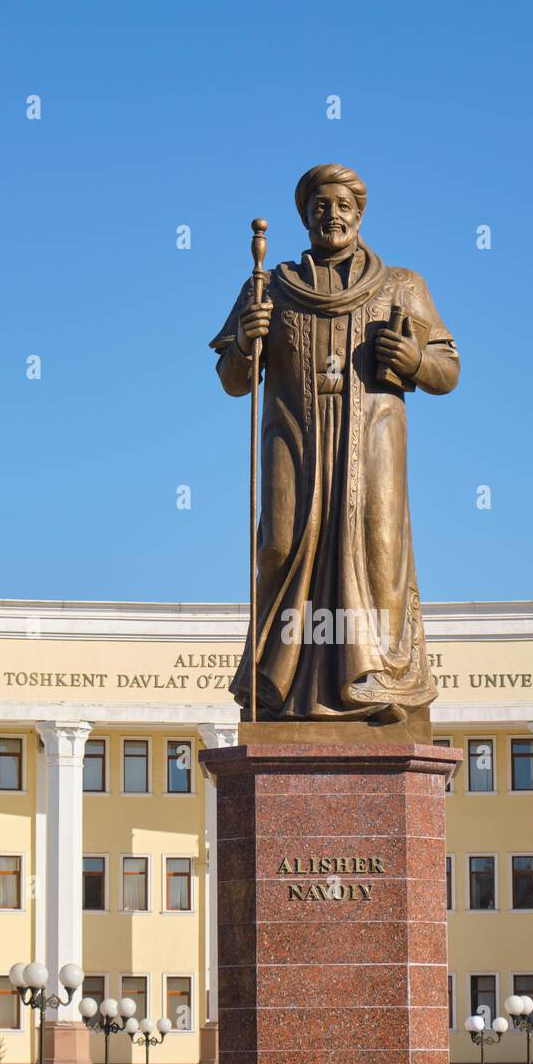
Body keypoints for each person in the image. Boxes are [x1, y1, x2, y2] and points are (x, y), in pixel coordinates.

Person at [211, 163, 460, 726]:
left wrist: (415, 360)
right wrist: (248, 340)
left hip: (371, 446)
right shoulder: (268, 287)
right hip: (295, 439)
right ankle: (275, 684)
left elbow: (449, 369)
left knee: (376, 550)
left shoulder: (401, 286)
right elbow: (231, 380)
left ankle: (378, 679)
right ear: (304, 216)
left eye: (342, 205)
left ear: (360, 213)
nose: (332, 216)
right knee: (278, 546)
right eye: (320, 206)